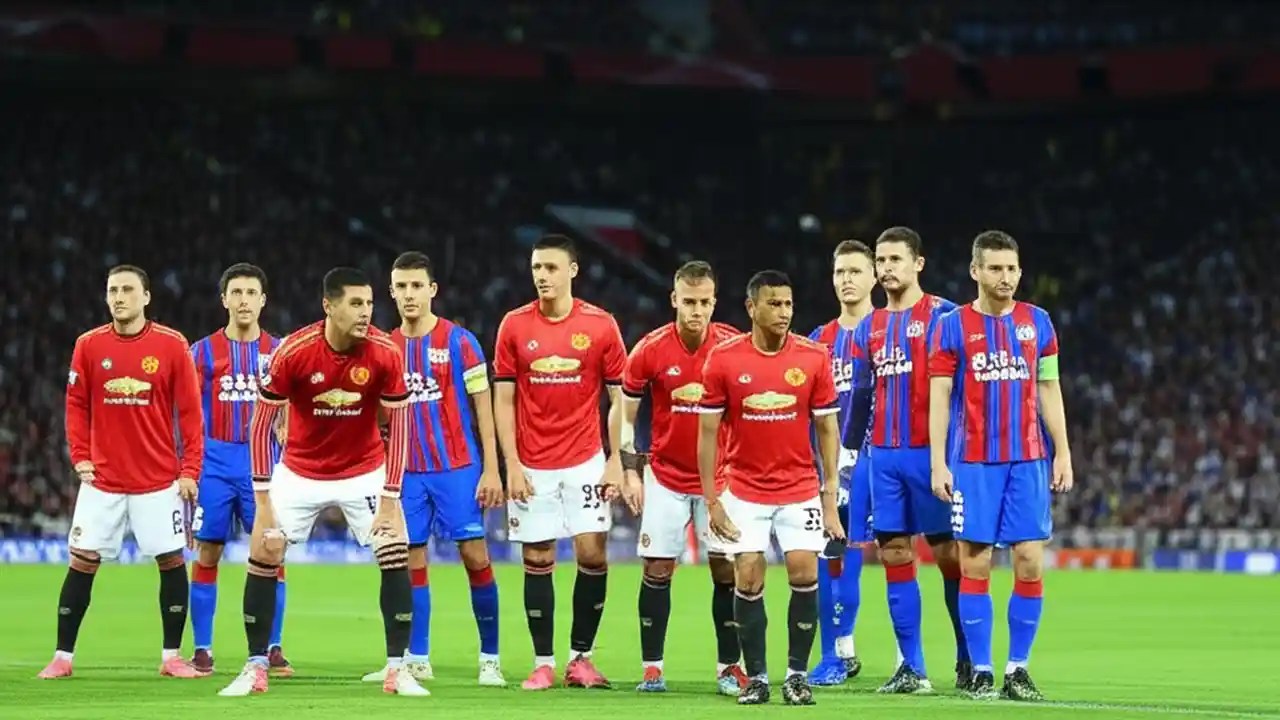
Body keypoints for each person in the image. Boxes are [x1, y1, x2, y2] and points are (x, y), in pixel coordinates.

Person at [216, 267, 427, 698]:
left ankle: (396, 669)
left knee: (394, 549)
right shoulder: (294, 352)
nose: (365, 312)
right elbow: (260, 428)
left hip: (365, 469)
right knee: (265, 550)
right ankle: (255, 667)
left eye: (369, 303)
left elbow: (402, 427)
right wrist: (263, 502)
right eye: (355, 303)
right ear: (328, 305)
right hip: (299, 470)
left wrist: (390, 497)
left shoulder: (386, 353)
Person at [40, 264, 206, 680]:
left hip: (158, 480)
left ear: (146, 297)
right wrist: (80, 454)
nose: (119, 297)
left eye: (128, 290)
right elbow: (76, 405)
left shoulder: (171, 345)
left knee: (171, 562)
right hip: (103, 481)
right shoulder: (89, 345)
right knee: (82, 562)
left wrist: (190, 470)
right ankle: (63, 657)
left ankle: (171, 657)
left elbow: (190, 413)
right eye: (113, 290)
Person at [928, 230, 1073, 701]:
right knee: (977, 561)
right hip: (973, 462)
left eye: (1012, 268)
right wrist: (937, 463)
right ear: (975, 271)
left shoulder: (1039, 323)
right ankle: (983, 668)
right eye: (995, 268)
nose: (1005, 277)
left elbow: (1049, 388)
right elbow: (940, 397)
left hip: (1029, 459)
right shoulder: (951, 326)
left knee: (1030, 561)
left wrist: (1063, 450)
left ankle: (1018, 667)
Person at [698, 270, 845, 706]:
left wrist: (829, 495)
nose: (783, 312)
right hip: (744, 488)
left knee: (804, 572)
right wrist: (712, 499)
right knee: (747, 576)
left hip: (799, 487)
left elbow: (827, 429)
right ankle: (758, 677)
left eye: (788, 303)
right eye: (774, 303)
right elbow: (707, 434)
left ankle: (796, 675)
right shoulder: (723, 360)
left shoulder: (814, 358)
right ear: (751, 308)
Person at [360, 251, 505, 686]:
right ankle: (416, 656)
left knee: (475, 557)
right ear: (391, 292)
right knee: (409, 561)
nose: (409, 294)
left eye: (416, 286)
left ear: (432, 290)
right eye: (400, 287)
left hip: (457, 467)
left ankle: (490, 659)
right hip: (405, 474)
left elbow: (484, 408)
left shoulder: (461, 342)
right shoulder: (383, 347)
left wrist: (492, 469)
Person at [493, 234, 627, 691]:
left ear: (573, 270)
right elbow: (504, 399)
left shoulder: (602, 325)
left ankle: (581, 659)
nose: (541, 276)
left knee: (592, 554)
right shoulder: (513, 325)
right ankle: (544, 662)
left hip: (586, 460)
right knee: (538, 556)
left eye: (550, 267)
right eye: (536, 268)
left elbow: (618, 399)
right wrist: (511, 462)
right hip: (532, 463)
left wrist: (616, 461)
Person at [843, 226, 969, 694]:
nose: (886, 268)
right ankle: (911, 668)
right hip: (884, 460)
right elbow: (859, 395)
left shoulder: (945, 317)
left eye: (896, 259)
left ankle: (967, 655)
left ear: (919, 263)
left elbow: (967, 389)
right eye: (881, 260)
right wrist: (849, 455)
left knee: (949, 555)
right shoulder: (868, 328)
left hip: (933, 457)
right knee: (895, 552)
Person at [615, 260, 744, 695]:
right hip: (666, 477)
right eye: (689, 301)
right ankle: (652, 668)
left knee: (727, 571)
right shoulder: (650, 349)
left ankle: (730, 667)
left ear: (714, 301)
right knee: (657, 569)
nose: (697, 310)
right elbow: (625, 414)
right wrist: (630, 471)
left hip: (721, 481)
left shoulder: (731, 347)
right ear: (674, 300)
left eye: (705, 302)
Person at [188, 263, 291, 676]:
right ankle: (202, 648)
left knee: (272, 553)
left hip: (263, 464)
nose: (244, 300)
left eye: (252, 292)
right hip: (213, 462)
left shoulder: (281, 351)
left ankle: (273, 647)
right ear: (224, 299)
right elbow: (186, 409)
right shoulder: (201, 352)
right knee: (208, 551)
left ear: (262, 300)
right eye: (237, 292)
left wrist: (288, 424)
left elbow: (296, 400)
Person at [806, 240, 876, 685]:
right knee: (826, 559)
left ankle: (935, 661)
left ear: (873, 277)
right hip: (826, 468)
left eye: (854, 271)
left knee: (863, 557)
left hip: (875, 462)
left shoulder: (887, 331)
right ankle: (837, 654)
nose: (846, 280)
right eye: (839, 272)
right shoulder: (818, 341)